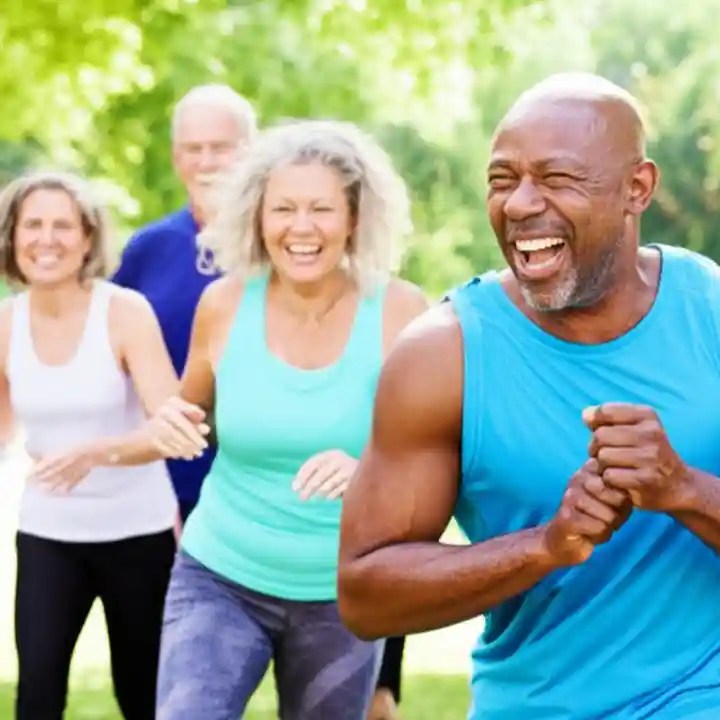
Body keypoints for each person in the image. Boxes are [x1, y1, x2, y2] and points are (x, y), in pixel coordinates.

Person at [336, 72, 720, 720]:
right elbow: (365, 596)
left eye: (557, 179)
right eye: (503, 180)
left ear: (636, 189)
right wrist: (546, 546)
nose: (522, 204)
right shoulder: (443, 355)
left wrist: (685, 491)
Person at [144, 119, 429, 720]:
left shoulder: (401, 312)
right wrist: (173, 421)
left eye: (322, 209)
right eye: (284, 209)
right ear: (257, 217)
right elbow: (192, 414)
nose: (302, 228)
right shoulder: (223, 304)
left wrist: (369, 467)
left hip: (342, 591)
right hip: (220, 574)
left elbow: (435, 453)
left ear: (355, 218)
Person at [0, 171, 179, 719]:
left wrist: (97, 452)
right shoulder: (6, 323)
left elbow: (172, 428)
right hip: (49, 535)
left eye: (62, 225)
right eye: (32, 225)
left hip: (137, 535)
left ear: (86, 239)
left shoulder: (123, 312)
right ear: (12, 237)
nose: (45, 239)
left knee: (143, 696)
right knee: (37, 696)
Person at [112, 84, 257, 524]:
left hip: (259, 479)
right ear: (177, 158)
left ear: (252, 152)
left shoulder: (286, 245)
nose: (207, 162)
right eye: (194, 149)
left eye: (221, 148)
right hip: (161, 483)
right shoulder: (147, 248)